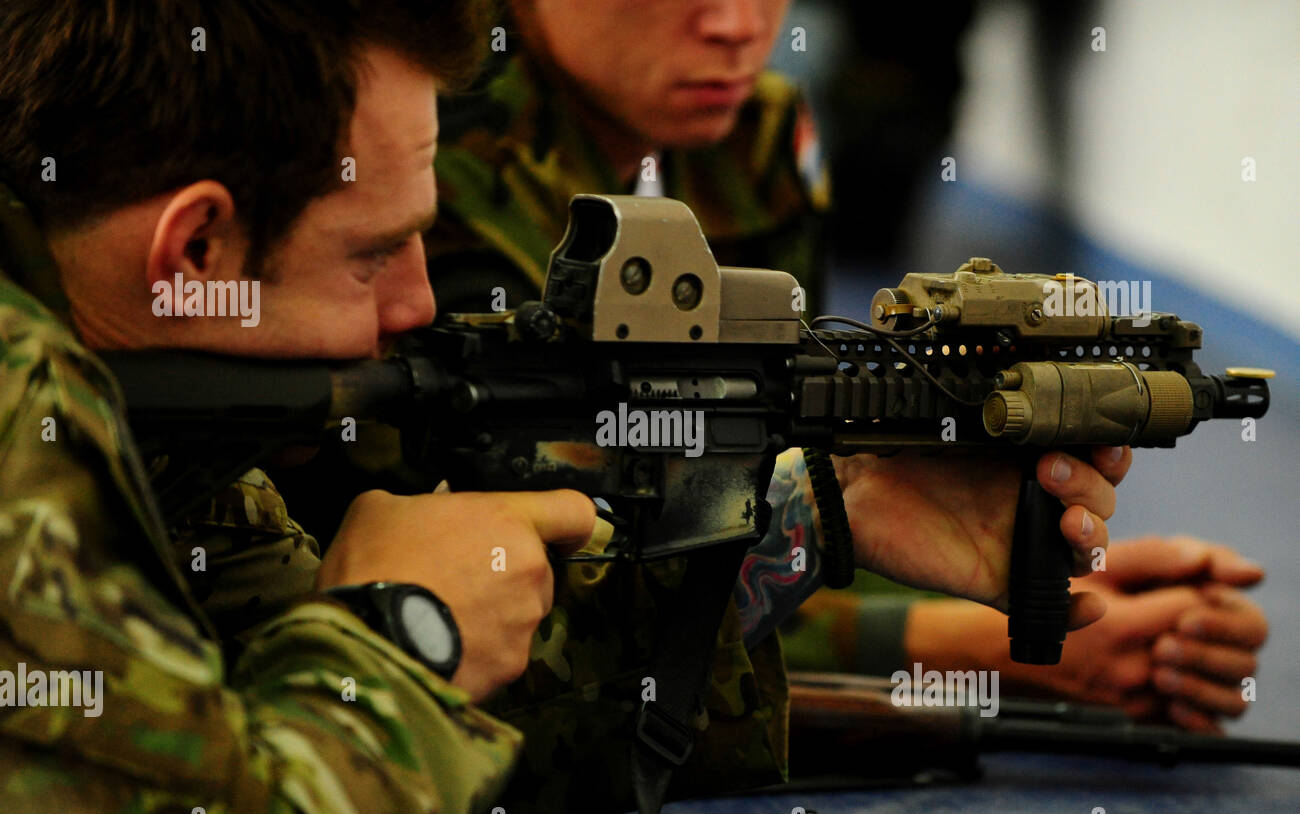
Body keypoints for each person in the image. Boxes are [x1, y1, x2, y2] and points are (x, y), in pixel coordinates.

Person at [423, 0, 1266, 738]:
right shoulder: (417, 153)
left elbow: (735, 510)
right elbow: (507, 644)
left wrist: (976, 573)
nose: (738, 25)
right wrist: (972, 651)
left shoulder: (755, 134)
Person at [0, 0, 602, 814]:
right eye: (371, 256)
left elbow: (258, 722)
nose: (418, 305)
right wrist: (401, 637)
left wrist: (759, 538)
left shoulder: (143, 414)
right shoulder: (20, 401)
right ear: (196, 253)